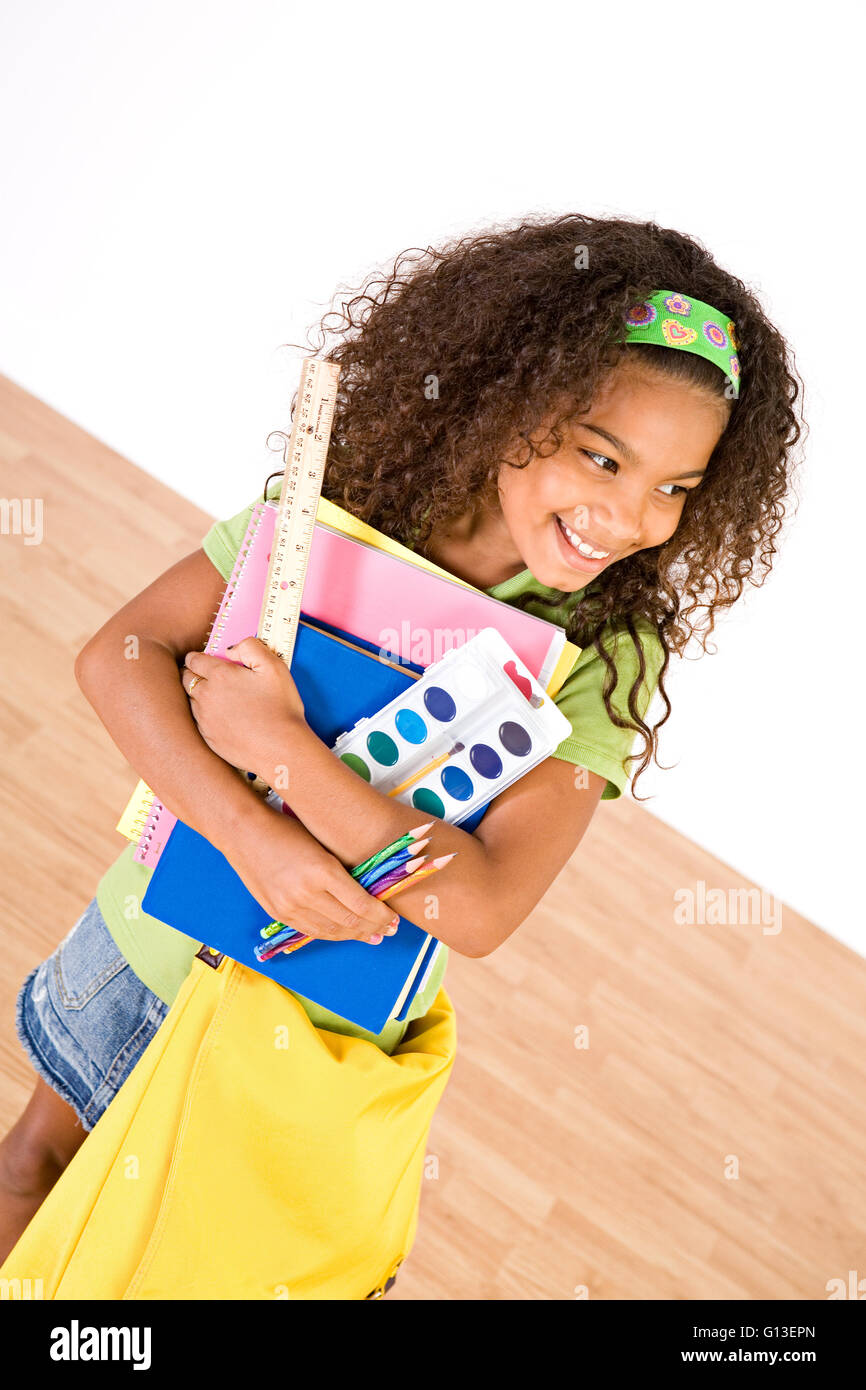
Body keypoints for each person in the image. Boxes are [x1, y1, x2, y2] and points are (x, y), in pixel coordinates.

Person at [0, 212, 803, 1274]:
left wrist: (285, 752)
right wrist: (253, 835)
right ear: (513, 404)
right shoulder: (344, 497)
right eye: (599, 458)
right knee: (37, 1164)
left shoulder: (607, 655)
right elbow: (119, 656)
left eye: (672, 490)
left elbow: (475, 906)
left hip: (314, 1028)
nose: (625, 515)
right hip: (150, 942)